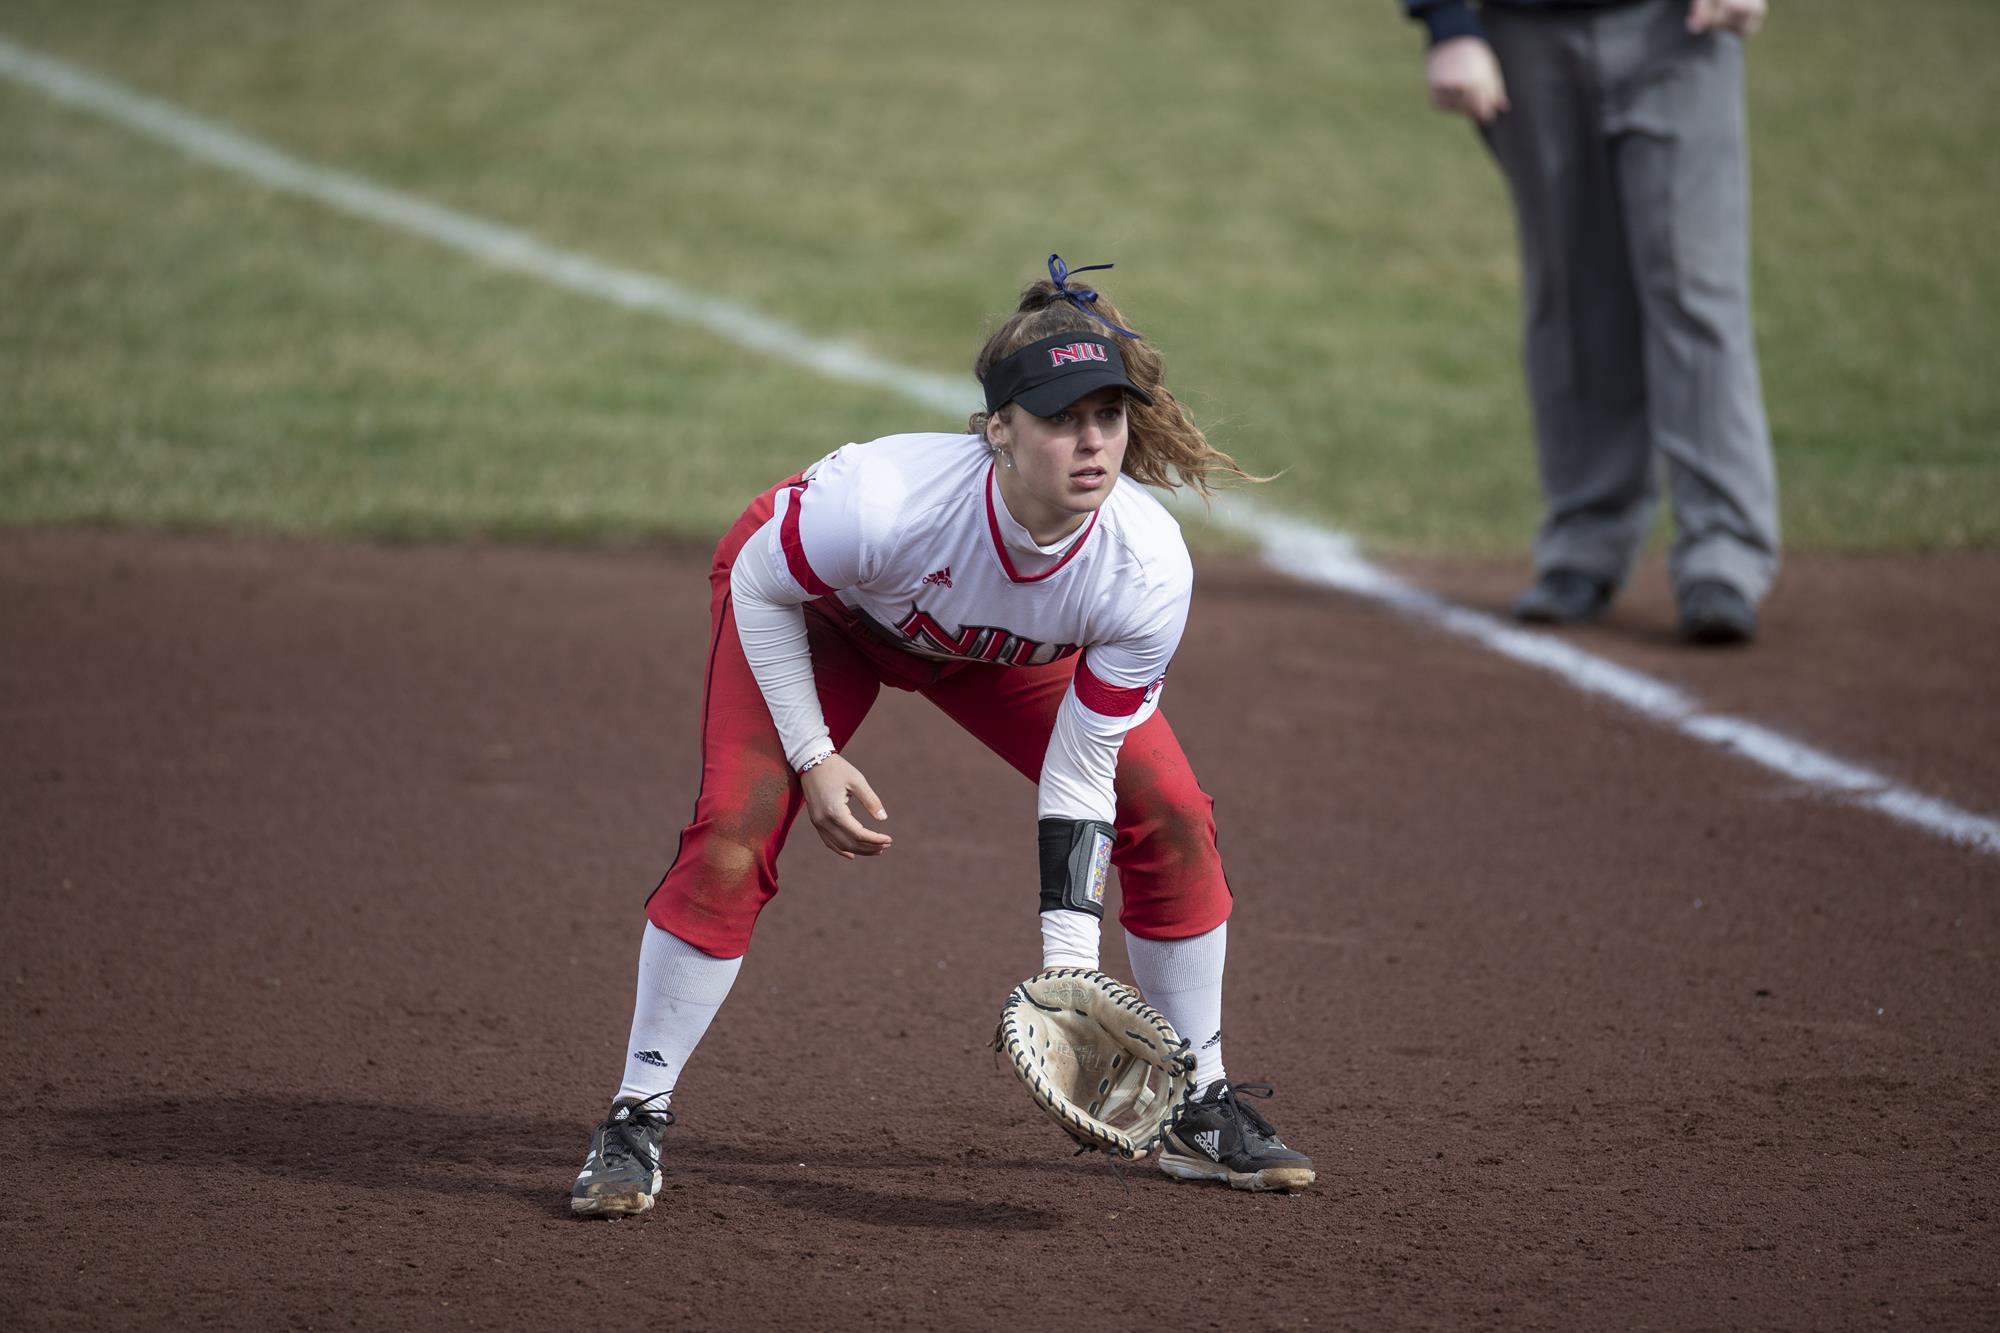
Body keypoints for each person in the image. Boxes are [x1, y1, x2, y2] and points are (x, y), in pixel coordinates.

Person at [570, 257, 1317, 1216]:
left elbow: (1084, 762)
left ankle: (1197, 1104)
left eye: (1108, 417)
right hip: (821, 619)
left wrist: (1070, 974)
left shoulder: (1143, 567)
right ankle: (636, 1113)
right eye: (1060, 419)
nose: (1091, 444)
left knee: (1169, 809)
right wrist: (812, 754)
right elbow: (760, 585)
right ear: (997, 430)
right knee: (735, 827)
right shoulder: (886, 506)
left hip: (1002, 649)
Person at [1404, 0, 1781, 644]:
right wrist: (1448, 23)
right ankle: (1585, 545)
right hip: (1521, 31)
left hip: (1675, 27)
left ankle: (1724, 555)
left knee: (1695, 283)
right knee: (1572, 289)